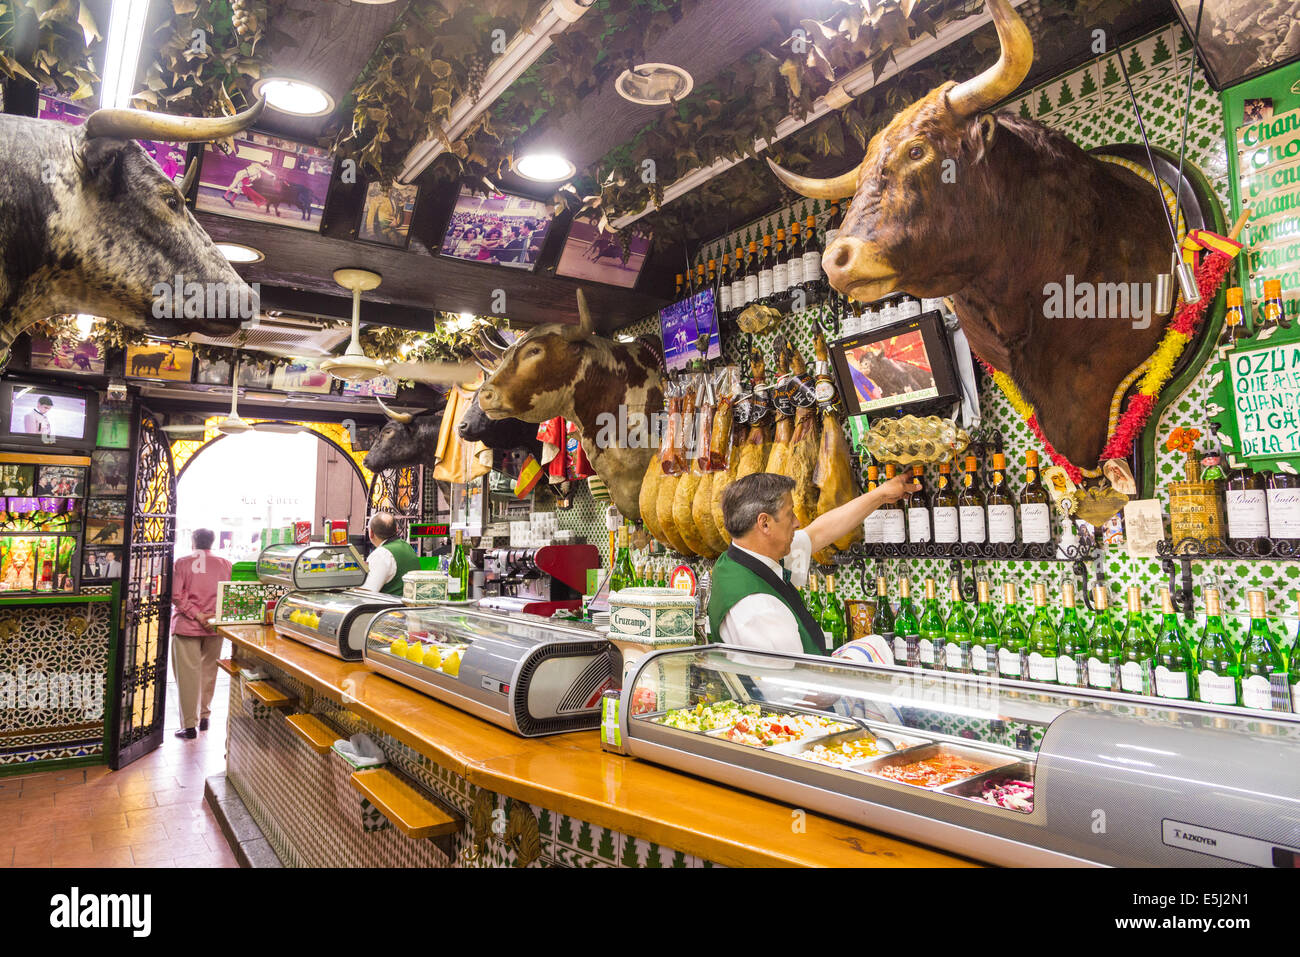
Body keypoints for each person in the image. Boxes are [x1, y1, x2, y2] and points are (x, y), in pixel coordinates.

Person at [708, 470, 917, 655]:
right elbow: (796, 690)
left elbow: (818, 533)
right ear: (764, 523)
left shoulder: (742, 560)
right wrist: (859, 658)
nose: (797, 522)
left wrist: (881, 495)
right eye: (790, 514)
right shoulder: (757, 607)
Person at [170, 528, 232, 740]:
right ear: (212, 542)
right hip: (214, 628)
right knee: (208, 674)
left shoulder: (182, 563)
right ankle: (205, 717)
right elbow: (229, 594)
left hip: (187, 627)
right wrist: (211, 617)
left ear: (193, 541)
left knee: (188, 677)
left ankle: (189, 726)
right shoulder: (225, 564)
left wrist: (197, 615)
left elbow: (176, 596)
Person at [360, 511, 421, 597]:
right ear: (396, 529)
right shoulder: (407, 546)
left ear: (371, 533)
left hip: (388, 609)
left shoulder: (381, 554)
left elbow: (367, 592)